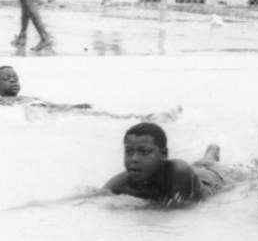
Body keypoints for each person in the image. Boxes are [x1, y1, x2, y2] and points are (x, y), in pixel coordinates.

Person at [102, 123, 243, 205]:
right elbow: (97, 196)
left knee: (209, 165)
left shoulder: (179, 171)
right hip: (195, 171)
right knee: (201, 163)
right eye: (129, 152)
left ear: (164, 154)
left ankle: (211, 152)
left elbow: (179, 210)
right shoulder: (121, 181)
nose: (134, 159)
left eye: (144, 152)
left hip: (213, 179)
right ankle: (210, 153)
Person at [0, 65, 181, 120]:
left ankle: (146, 117)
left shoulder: (29, 97)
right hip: (39, 114)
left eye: (15, 77)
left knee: (98, 114)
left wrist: (74, 105)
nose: (14, 80)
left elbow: (54, 105)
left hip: (49, 111)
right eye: (7, 78)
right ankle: (146, 117)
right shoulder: (3, 101)